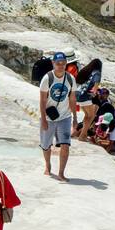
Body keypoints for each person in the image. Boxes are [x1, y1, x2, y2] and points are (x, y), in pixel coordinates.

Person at [39, 51, 78, 180]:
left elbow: (72, 99)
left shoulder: (70, 79)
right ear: (53, 63)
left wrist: (75, 119)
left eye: (63, 63)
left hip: (65, 117)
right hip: (49, 117)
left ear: (66, 63)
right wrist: (43, 119)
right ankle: (47, 164)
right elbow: (43, 100)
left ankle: (61, 173)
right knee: (46, 145)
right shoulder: (47, 78)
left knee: (65, 145)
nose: (60, 66)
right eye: (58, 63)